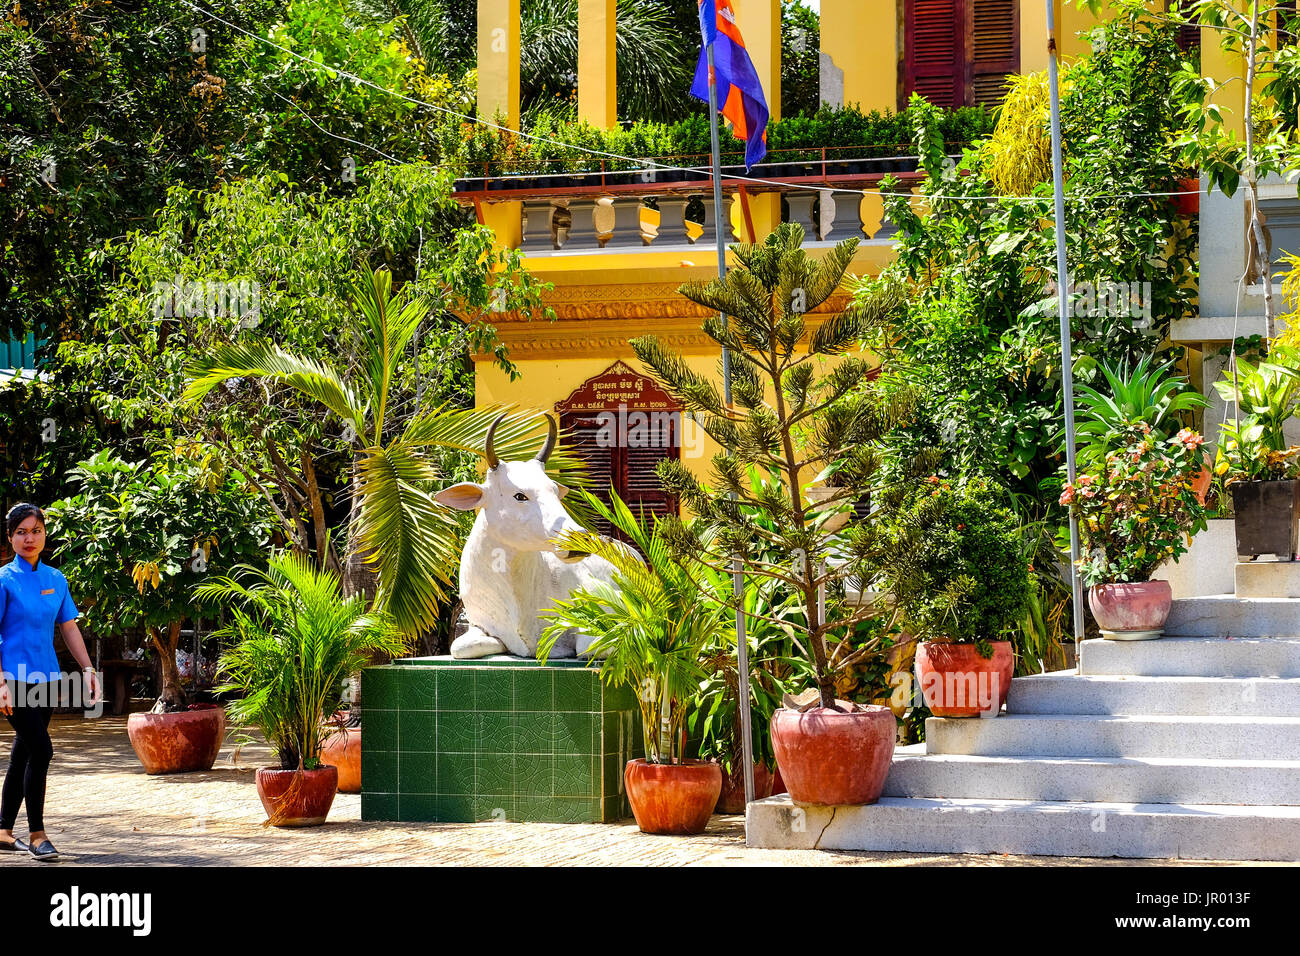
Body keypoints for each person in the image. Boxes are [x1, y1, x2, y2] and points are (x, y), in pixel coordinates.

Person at [0, 503, 100, 862]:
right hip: (12, 681)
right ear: (10, 537)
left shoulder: (56, 580)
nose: (29, 538)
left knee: (23, 752)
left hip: (47, 679)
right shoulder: (3, 581)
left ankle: (3, 830)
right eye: (21, 532)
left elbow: (68, 626)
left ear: (45, 534)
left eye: (36, 530)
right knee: (42, 750)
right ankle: (38, 834)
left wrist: (88, 669)